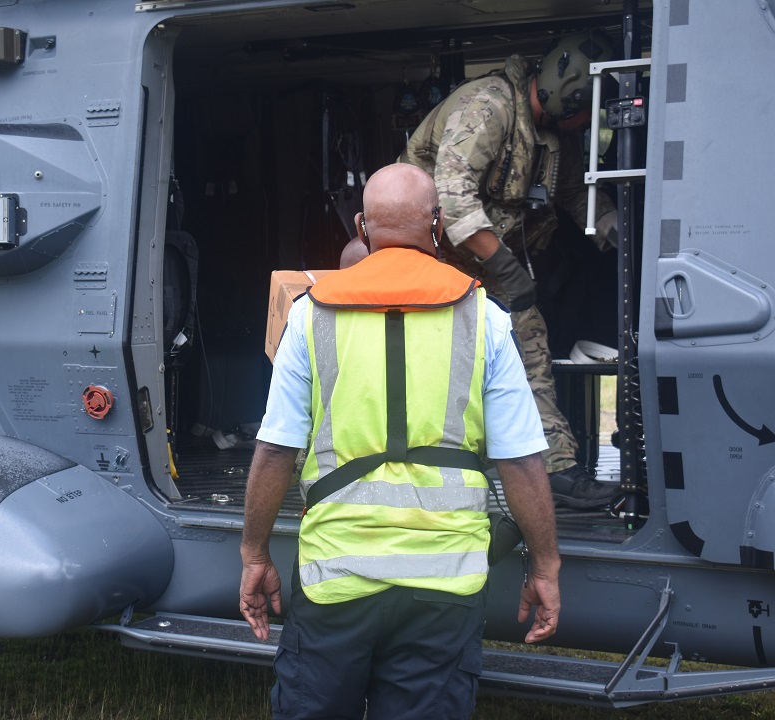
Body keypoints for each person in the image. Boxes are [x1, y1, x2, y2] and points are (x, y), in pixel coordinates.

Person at [240, 163, 560, 720]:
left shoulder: (309, 315)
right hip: (445, 580)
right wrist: (546, 566)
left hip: (335, 577)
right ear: (437, 225)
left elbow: (274, 451)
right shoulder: (484, 316)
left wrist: (254, 554)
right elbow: (523, 461)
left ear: (362, 227)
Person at [392, 31, 621, 511]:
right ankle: (417, 472)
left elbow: (575, 194)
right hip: (430, 262)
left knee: (529, 346)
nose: (585, 125)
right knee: (429, 371)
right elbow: (452, 201)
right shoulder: (488, 108)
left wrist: (611, 228)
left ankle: (557, 469)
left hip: (488, 264)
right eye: (586, 111)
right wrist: (509, 271)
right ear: (567, 94)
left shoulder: (555, 135)